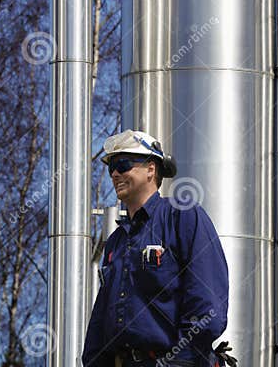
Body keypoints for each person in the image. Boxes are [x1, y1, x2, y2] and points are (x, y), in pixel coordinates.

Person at [83, 130, 235, 367]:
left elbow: (207, 302)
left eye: (122, 164)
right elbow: (101, 316)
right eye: (111, 166)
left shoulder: (182, 216)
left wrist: (179, 360)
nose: (114, 173)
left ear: (151, 169)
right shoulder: (117, 241)